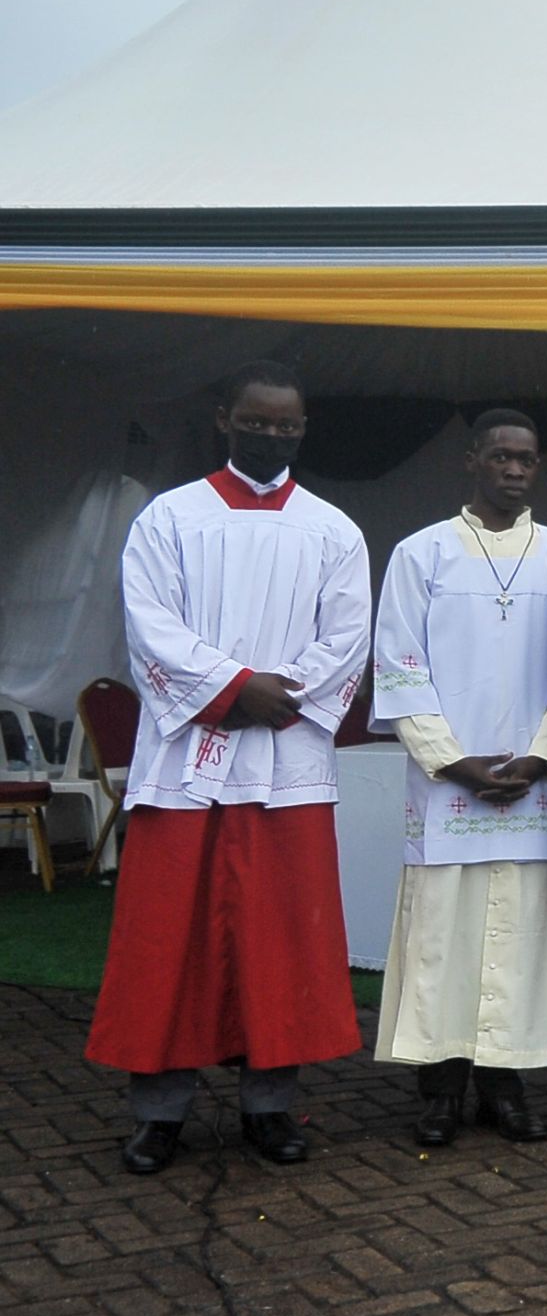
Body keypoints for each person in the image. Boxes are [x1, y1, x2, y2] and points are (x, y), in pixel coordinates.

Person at [89, 361, 370, 1173]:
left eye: (286, 424)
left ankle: (270, 1106)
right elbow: (150, 627)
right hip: (185, 765)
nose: (271, 434)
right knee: (167, 942)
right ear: (225, 418)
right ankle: (160, 1113)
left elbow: (349, 635)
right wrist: (237, 687)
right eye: (257, 420)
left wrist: (276, 696)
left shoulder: (333, 529)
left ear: (302, 428)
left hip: (286, 764)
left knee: (279, 943)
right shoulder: (168, 518)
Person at [370, 410, 547, 1146]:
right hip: (448, 783)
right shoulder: (421, 553)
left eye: (526, 458)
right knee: (443, 934)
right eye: (500, 456)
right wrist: (452, 759)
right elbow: (399, 661)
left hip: (534, 781)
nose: (514, 469)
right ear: (472, 461)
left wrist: (540, 753)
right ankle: (440, 1086)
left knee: (522, 933)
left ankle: (506, 1081)